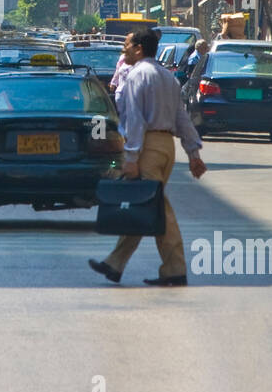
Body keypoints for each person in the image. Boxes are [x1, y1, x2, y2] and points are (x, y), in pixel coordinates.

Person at [89, 28, 208, 287]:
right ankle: (115, 263)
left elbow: (135, 119)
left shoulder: (136, 76)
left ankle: (175, 269)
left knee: (158, 208)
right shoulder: (167, 77)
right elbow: (181, 118)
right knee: (143, 204)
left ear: (139, 49)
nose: (124, 50)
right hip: (166, 147)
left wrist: (131, 157)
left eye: (127, 45)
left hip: (148, 147)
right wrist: (193, 153)